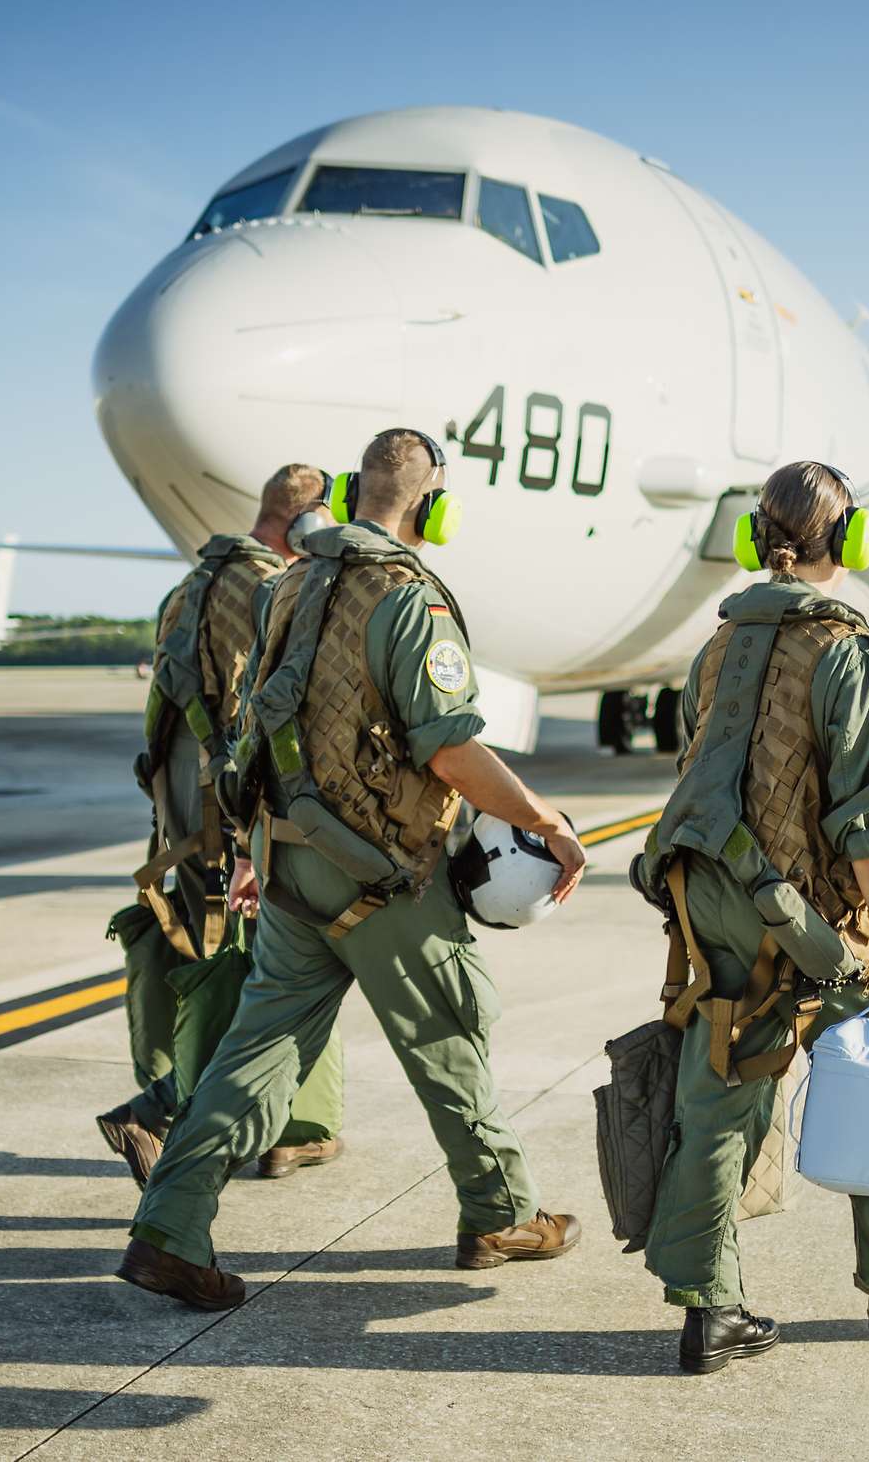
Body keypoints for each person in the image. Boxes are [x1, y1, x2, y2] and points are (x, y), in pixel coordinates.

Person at [117, 427, 589, 1310]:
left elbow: (255, 723)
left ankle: (168, 1228)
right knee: (449, 1036)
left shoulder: (289, 583)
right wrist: (541, 819)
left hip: (293, 867)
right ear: (431, 505)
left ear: (348, 489)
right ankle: (500, 1213)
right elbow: (449, 748)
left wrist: (261, 848)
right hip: (387, 874)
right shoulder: (408, 600)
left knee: (254, 1056)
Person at [638, 460, 869, 1374]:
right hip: (810, 917)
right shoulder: (851, 653)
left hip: (709, 894)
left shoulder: (716, 645)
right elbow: (867, 823)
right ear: (853, 539)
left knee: (718, 1088)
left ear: (760, 539)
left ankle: (708, 1308)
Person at [97, 464, 347, 1188]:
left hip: (180, 814)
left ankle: (246, 1121)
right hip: (236, 810)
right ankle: (196, 1116)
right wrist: (251, 838)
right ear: (308, 524)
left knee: (208, 960)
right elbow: (264, 719)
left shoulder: (187, 589)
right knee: (285, 960)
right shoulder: (275, 589)